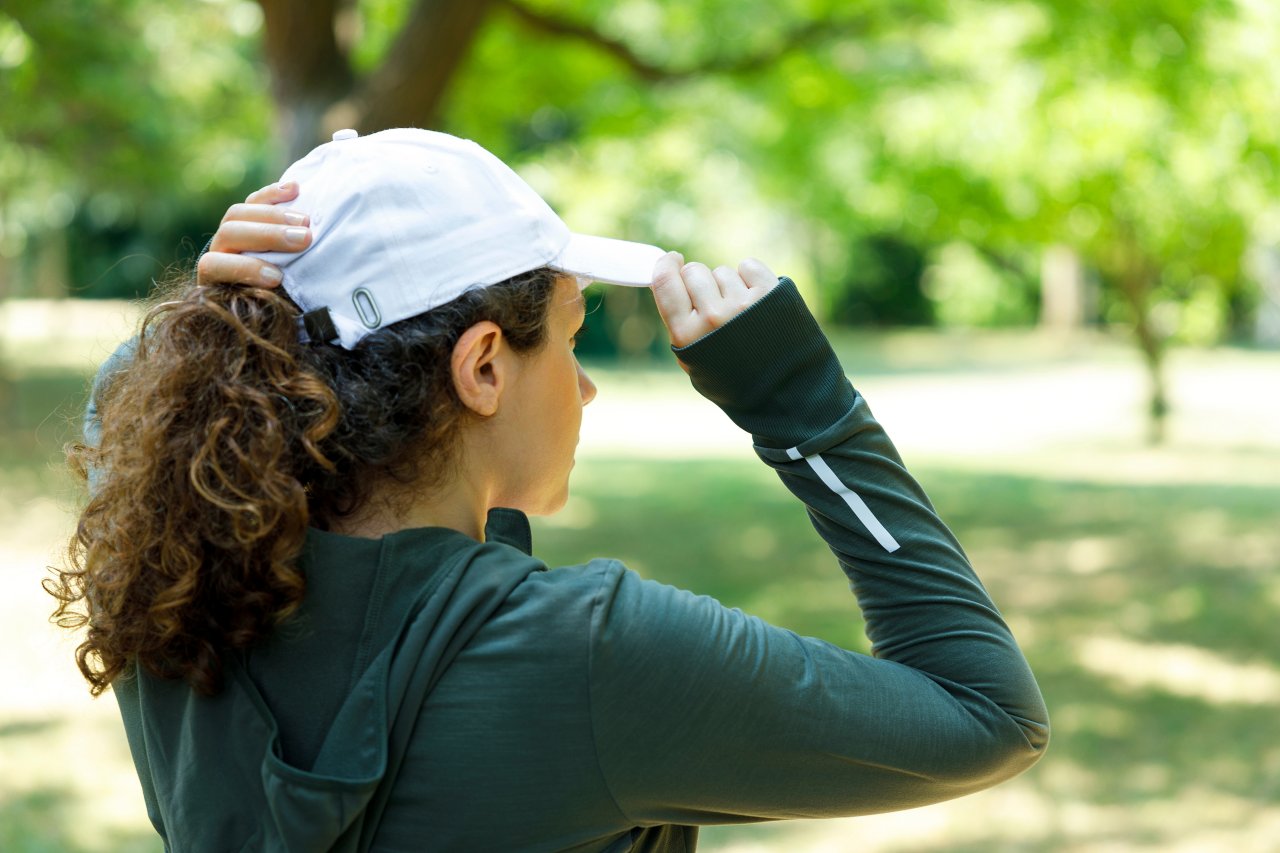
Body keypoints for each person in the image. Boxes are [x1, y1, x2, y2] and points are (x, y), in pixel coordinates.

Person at [51, 128, 1049, 852]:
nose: (585, 386)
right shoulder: (585, 654)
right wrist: (804, 411)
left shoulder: (179, 564)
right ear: (482, 365)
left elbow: (134, 394)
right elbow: (987, 716)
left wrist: (215, 303)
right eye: (570, 340)